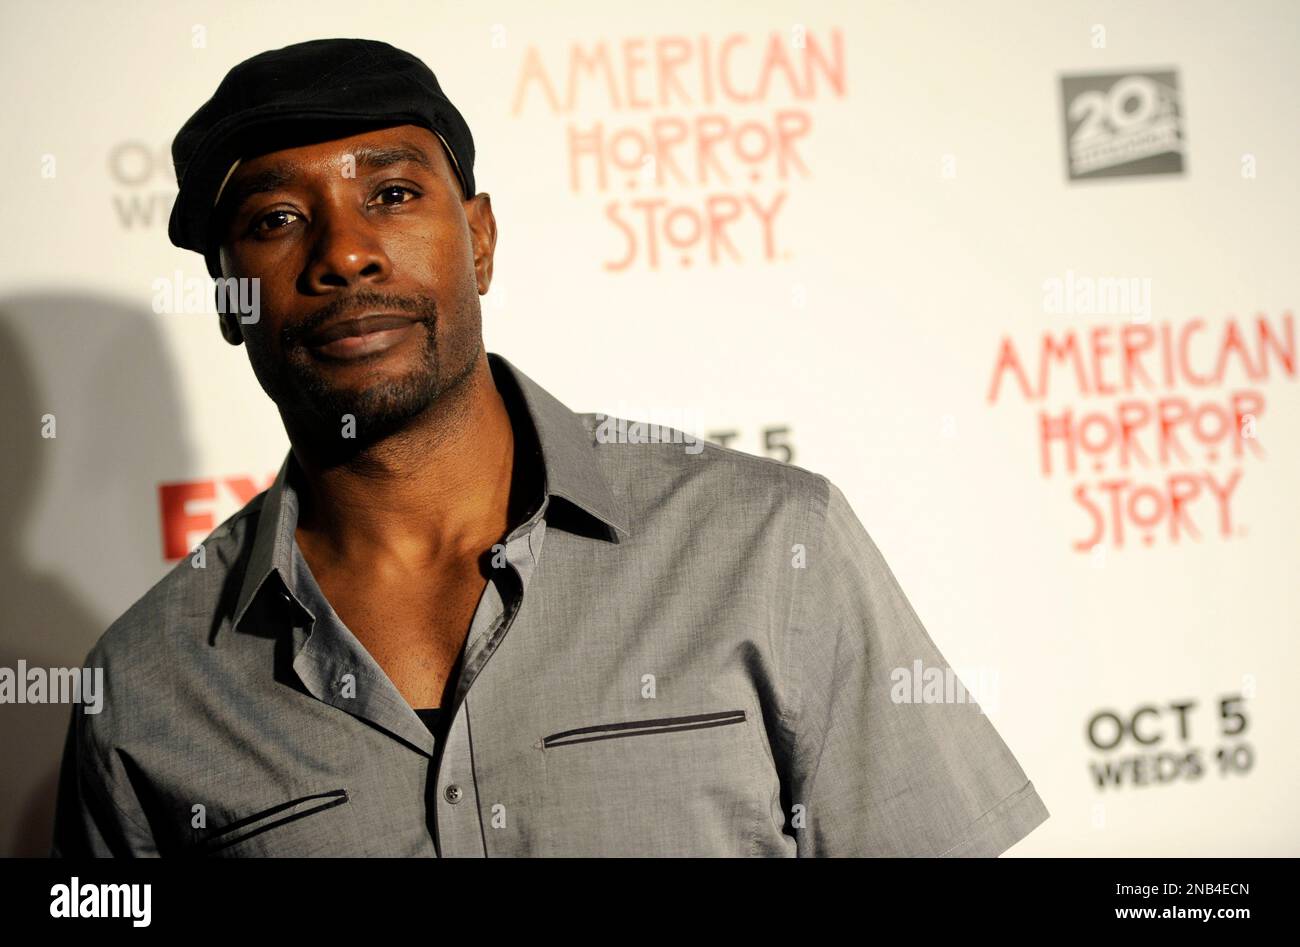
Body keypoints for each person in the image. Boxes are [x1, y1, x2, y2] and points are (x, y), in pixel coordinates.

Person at [51, 38, 1049, 857]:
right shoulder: (146, 691)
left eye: (392, 195)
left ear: (479, 239)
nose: (343, 252)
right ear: (229, 296)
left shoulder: (770, 547)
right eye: (275, 219)